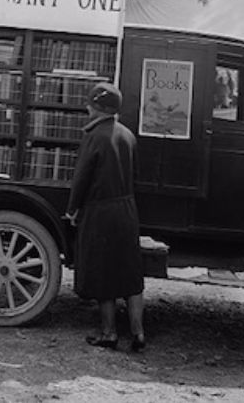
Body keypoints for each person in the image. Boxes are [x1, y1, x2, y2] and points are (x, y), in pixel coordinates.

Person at [65, 82, 146, 352]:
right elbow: (135, 178)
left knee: (103, 274)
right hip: (127, 209)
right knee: (131, 275)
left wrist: (73, 209)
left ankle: (109, 333)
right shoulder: (128, 135)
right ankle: (138, 333)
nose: (87, 107)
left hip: (100, 212)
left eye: (90, 104)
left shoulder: (93, 136)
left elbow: (82, 178)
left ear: (98, 108)